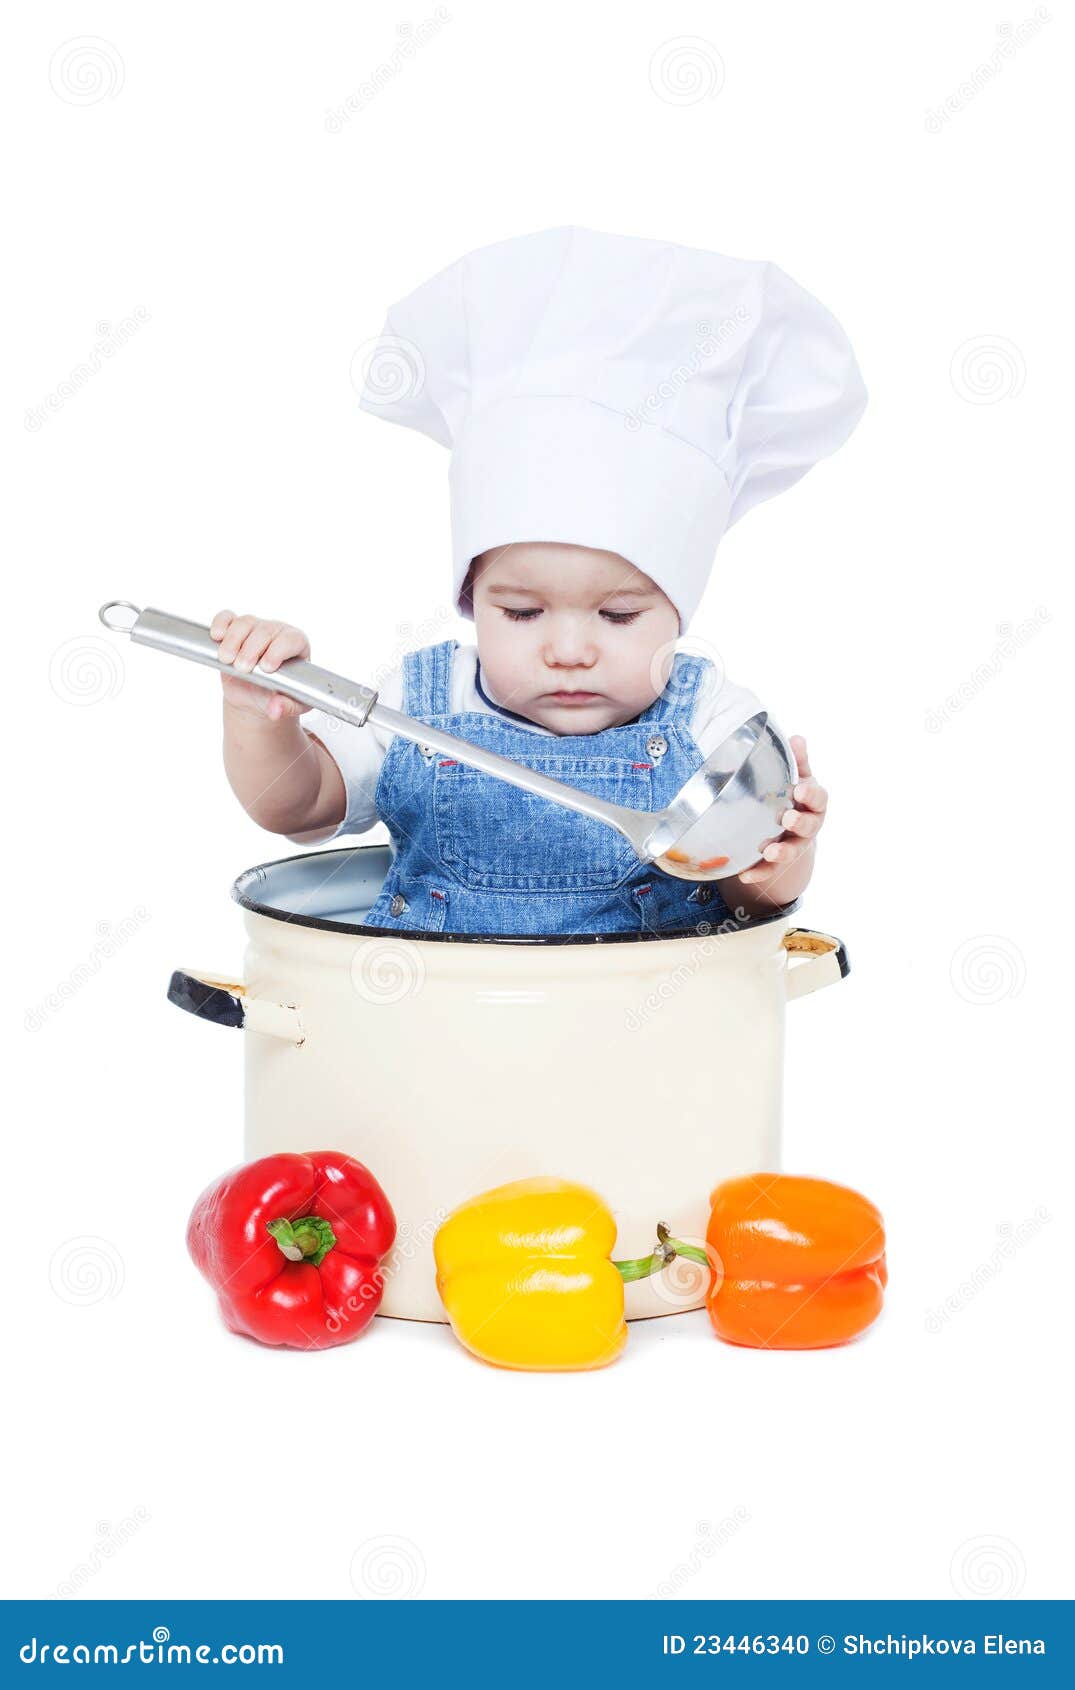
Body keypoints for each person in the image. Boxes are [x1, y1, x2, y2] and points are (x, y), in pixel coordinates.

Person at [215, 227, 866, 936]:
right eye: (522, 612)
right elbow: (294, 807)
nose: (568, 649)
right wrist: (259, 717)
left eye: (617, 616)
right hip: (421, 1030)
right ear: (472, 602)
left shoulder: (713, 725)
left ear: (678, 612)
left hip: (653, 1039)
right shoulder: (416, 703)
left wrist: (778, 861)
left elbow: (749, 901)